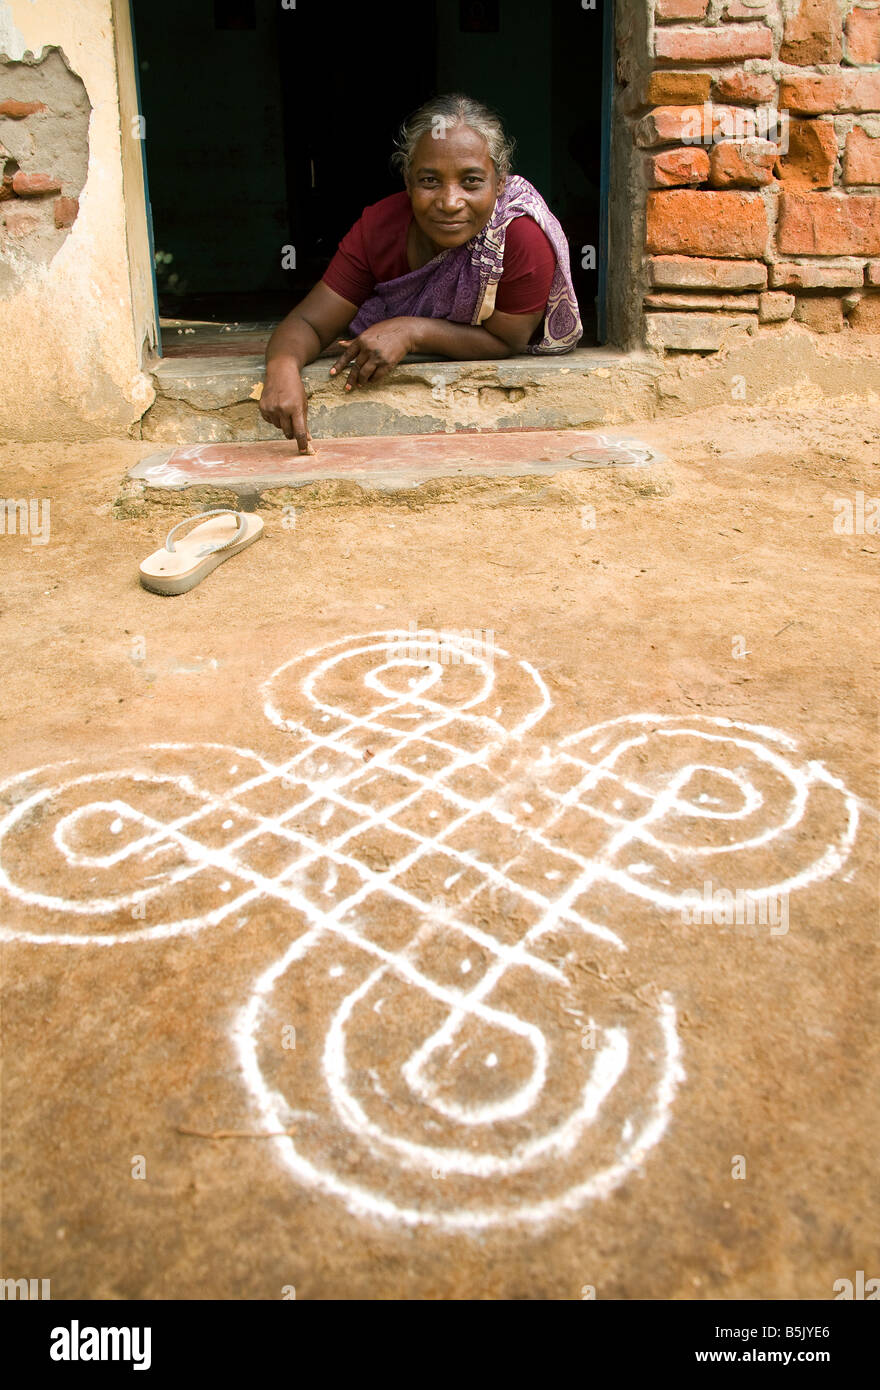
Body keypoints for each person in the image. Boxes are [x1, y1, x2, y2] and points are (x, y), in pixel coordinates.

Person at [259, 94, 582, 452]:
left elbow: (508, 339)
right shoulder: (379, 227)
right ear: (408, 182)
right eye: (430, 181)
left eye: (472, 181)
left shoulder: (519, 235)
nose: (449, 202)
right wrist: (282, 368)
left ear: (500, 182)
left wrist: (412, 332)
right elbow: (309, 322)